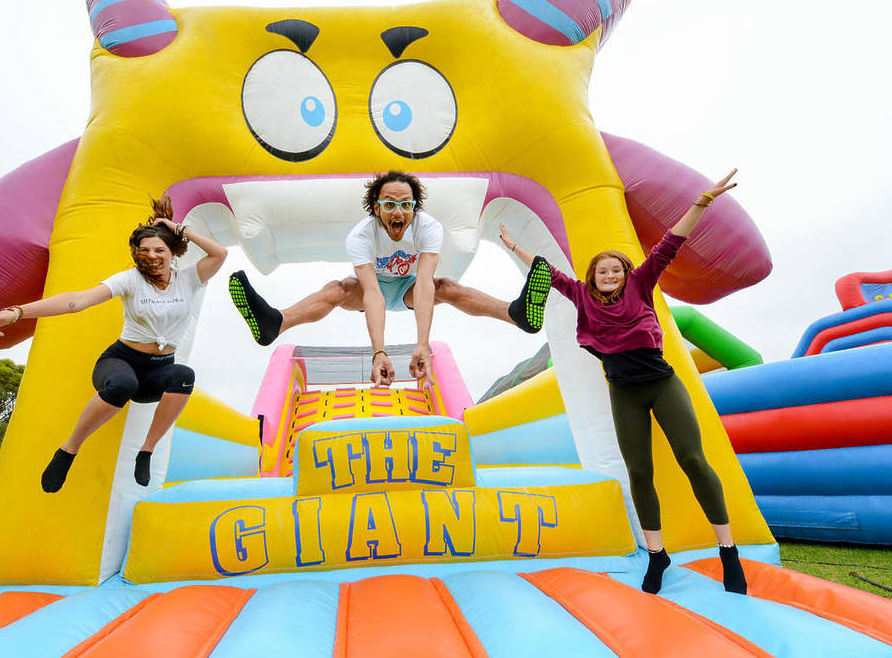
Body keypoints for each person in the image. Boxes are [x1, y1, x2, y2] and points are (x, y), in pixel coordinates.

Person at [498, 169, 747, 595]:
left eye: (615, 269)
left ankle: (728, 550)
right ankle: (657, 555)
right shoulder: (580, 296)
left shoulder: (641, 282)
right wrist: (513, 244)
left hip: (661, 383)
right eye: (602, 271)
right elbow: (546, 271)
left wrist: (702, 203)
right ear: (592, 276)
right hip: (623, 393)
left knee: (693, 460)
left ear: (625, 272)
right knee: (639, 471)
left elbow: (671, 242)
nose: (609, 275)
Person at [0, 197, 227, 492]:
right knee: (123, 384)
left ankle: (146, 451)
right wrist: (15, 313)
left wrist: (175, 227)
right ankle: (69, 449)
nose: (151, 255)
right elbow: (77, 301)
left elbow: (220, 252)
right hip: (122, 360)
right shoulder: (130, 280)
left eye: (159, 249)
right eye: (144, 250)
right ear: (137, 254)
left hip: (159, 370)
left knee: (184, 376)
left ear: (173, 253)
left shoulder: (189, 278)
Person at [228, 170, 552, 386]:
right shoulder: (361, 236)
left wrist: (422, 344)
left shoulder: (427, 227)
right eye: (390, 204)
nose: (398, 212)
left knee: (445, 286)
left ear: (414, 207)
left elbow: (425, 283)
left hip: (412, 287)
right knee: (339, 288)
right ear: (377, 207)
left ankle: (517, 314)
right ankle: (275, 323)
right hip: (377, 288)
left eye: (406, 205)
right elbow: (371, 294)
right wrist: (379, 353)